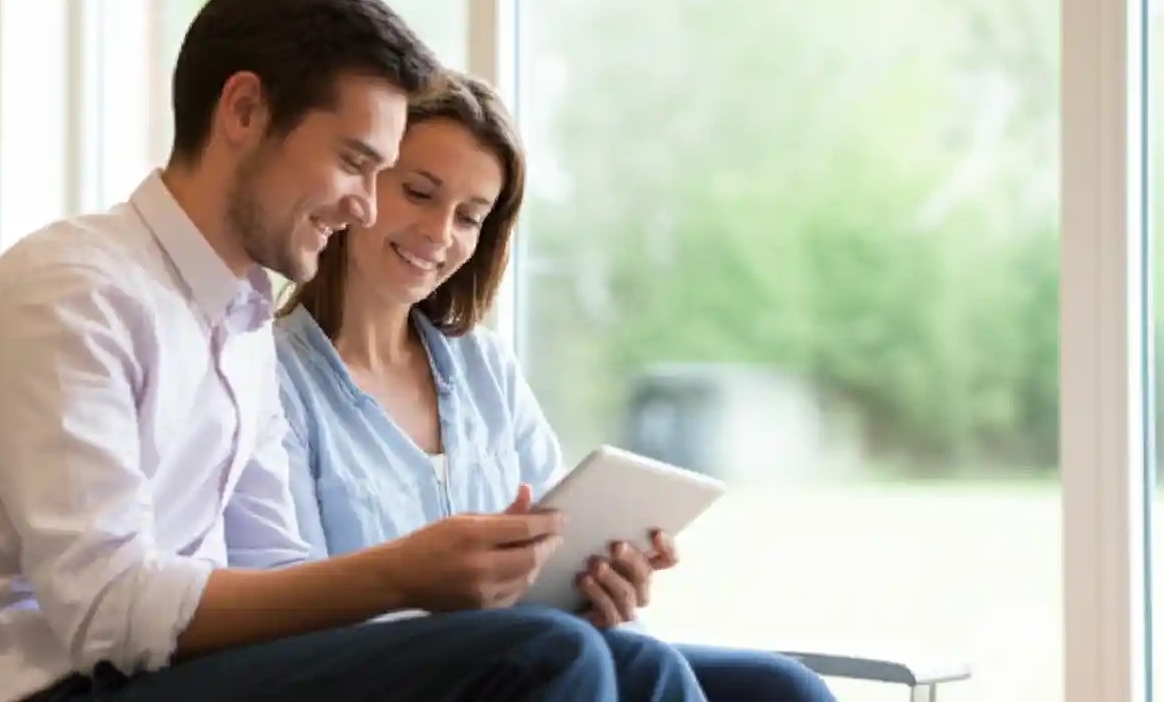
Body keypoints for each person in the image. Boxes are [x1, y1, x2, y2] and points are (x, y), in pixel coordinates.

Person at [0, 0, 706, 701]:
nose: (364, 206)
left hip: (200, 669)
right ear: (243, 110)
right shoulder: (70, 292)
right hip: (83, 687)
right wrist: (403, 576)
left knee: (678, 670)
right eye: (355, 163)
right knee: (548, 656)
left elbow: (279, 570)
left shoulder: (236, 319)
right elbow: (108, 610)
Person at [274, 69, 839, 702]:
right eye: (419, 192)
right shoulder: (274, 378)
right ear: (363, 182)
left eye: (469, 217)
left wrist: (598, 589)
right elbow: (293, 608)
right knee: (648, 672)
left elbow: (555, 537)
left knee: (783, 689)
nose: (439, 233)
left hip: (540, 651)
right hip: (408, 678)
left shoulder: (484, 368)